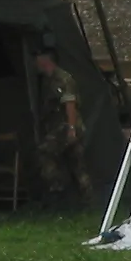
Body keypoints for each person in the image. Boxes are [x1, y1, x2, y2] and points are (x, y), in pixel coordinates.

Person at [33, 49, 87, 205]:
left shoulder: (63, 79)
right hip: (58, 127)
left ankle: (58, 191)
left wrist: (71, 129)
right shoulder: (47, 80)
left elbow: (70, 105)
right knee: (75, 164)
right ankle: (77, 201)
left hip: (66, 127)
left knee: (45, 153)